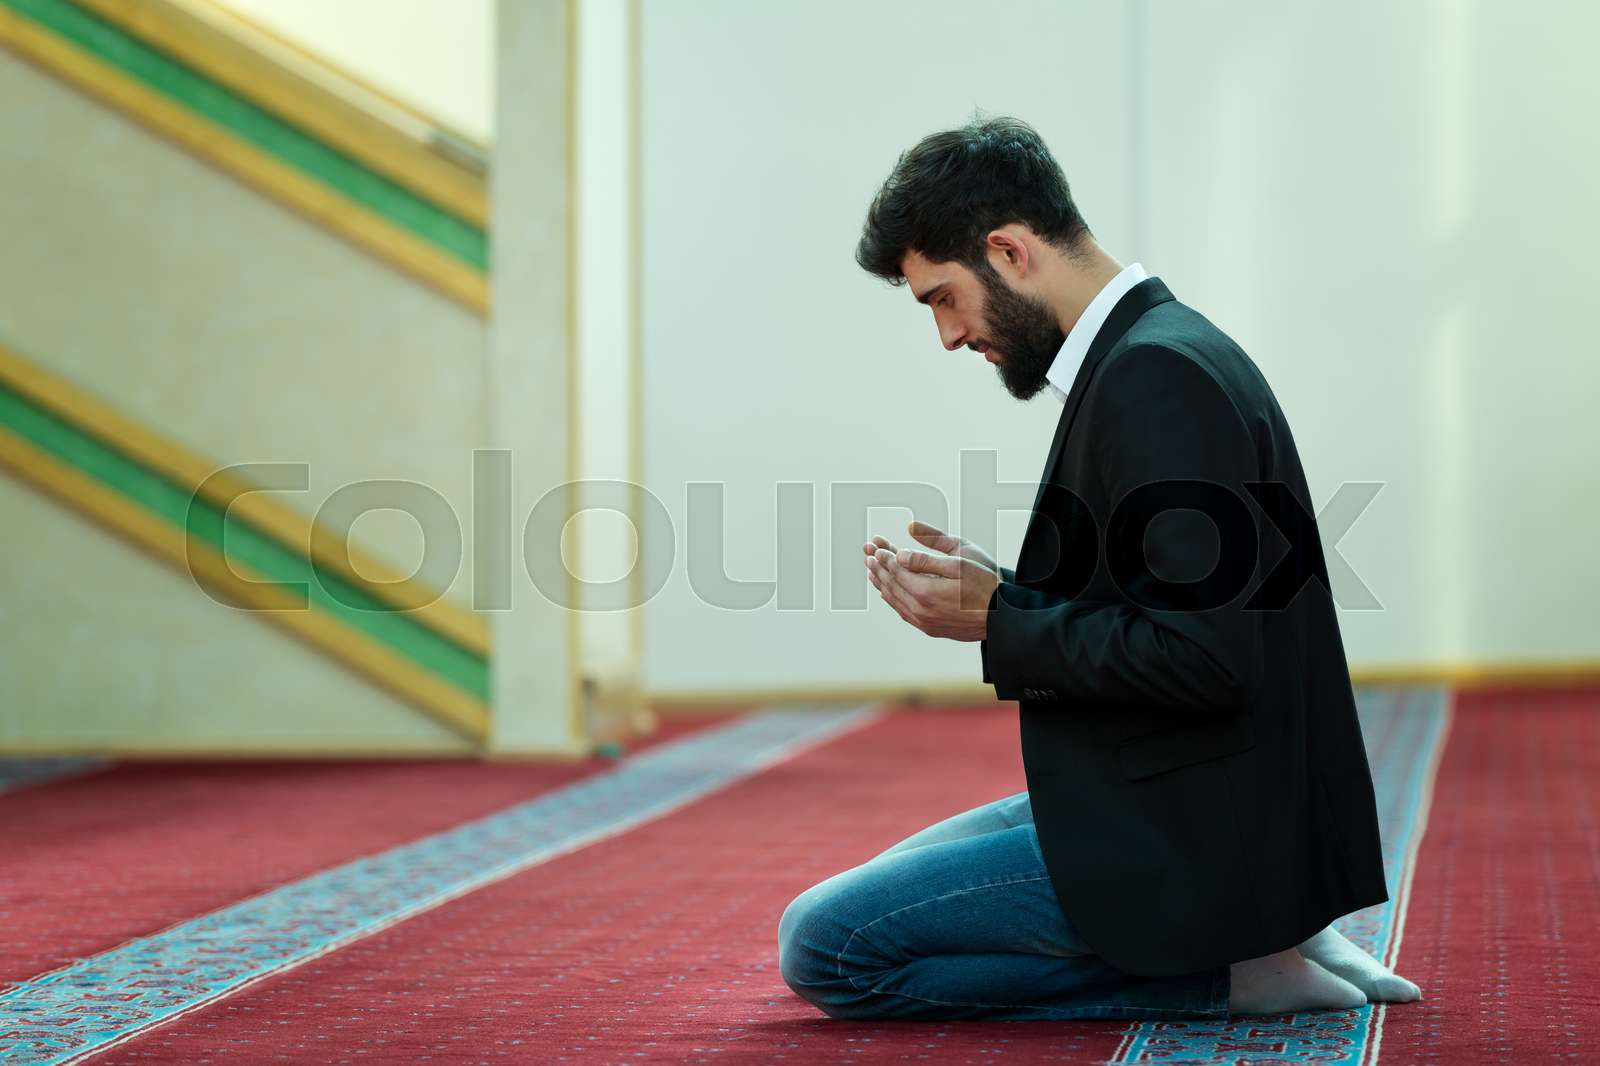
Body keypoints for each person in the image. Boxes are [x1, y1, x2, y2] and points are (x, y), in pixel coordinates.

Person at [776, 115, 1423, 1021]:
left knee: (826, 947)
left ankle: (1233, 969)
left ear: (1007, 251)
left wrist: (997, 620)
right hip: (1191, 794)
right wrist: (1002, 590)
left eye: (941, 298)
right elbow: (1172, 608)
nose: (949, 337)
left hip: (1198, 830)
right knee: (886, 883)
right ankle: (1280, 933)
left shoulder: (1157, 378)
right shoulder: (1160, 347)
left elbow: (1207, 658)